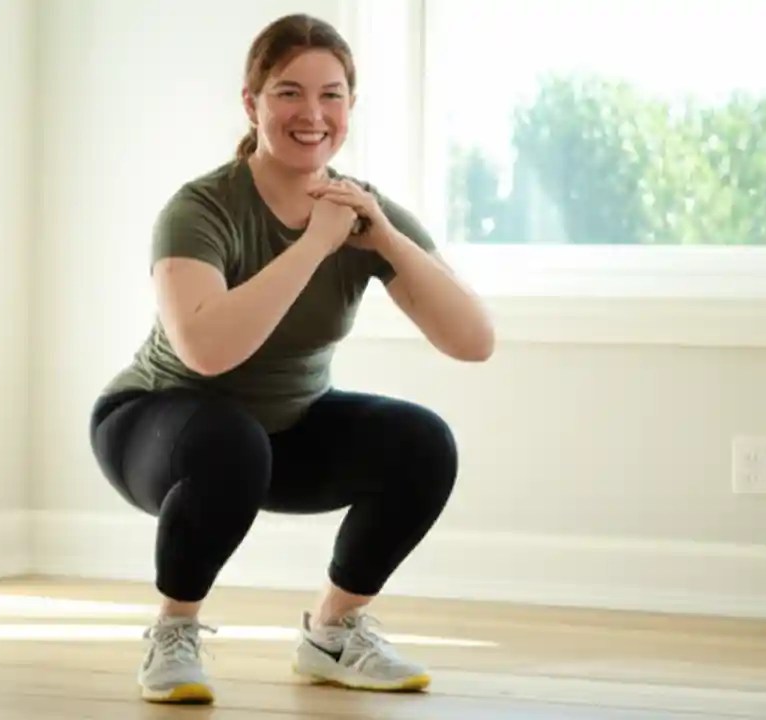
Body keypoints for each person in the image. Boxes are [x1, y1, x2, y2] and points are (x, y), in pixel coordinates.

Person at [88, 12, 495, 705]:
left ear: (351, 106)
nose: (312, 114)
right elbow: (208, 352)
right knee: (231, 441)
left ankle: (334, 632)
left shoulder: (364, 211)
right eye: (288, 93)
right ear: (252, 103)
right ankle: (173, 631)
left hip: (282, 430)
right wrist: (314, 243)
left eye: (331, 94)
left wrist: (386, 240)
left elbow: (473, 341)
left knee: (423, 443)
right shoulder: (200, 209)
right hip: (155, 426)